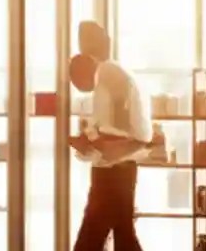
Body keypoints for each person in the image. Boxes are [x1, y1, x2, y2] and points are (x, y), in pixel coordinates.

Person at [69, 21, 151, 251]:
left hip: (111, 170)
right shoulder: (118, 72)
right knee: (123, 236)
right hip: (123, 166)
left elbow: (111, 126)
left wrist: (88, 140)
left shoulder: (106, 73)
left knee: (90, 239)